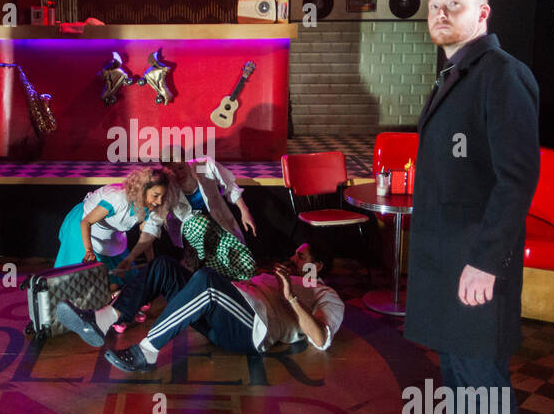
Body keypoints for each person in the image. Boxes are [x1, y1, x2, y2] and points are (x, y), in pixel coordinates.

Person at [401, 0, 540, 414]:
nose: (439, 13)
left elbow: (516, 180)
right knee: (456, 370)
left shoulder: (502, 76)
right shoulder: (457, 71)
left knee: (485, 384)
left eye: (452, 3)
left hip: (476, 265)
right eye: (434, 4)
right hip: (444, 260)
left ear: (483, 12)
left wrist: (486, 262)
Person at [56, 242, 343, 373]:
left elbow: (321, 340)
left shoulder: (326, 294)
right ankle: (102, 320)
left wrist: (290, 297)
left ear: (316, 266)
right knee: (165, 266)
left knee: (205, 281)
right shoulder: (279, 275)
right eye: (295, 252)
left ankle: (146, 352)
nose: (293, 257)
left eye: (301, 255)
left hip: (253, 330)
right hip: (227, 314)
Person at [53, 165, 177, 282]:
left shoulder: (154, 207)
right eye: (156, 195)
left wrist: (148, 263)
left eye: (163, 196)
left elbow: (146, 237)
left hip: (111, 235)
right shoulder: (117, 199)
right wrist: (88, 250)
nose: (159, 201)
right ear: (143, 191)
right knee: (78, 277)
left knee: (123, 275)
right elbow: (86, 222)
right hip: (82, 226)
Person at [165, 156, 259, 280]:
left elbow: (230, 186)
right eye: (173, 171)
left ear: (186, 161)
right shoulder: (167, 183)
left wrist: (244, 211)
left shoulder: (204, 166)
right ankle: (195, 262)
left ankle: (219, 271)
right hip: (194, 232)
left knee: (248, 268)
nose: (179, 174)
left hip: (218, 226)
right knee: (201, 224)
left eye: (181, 168)